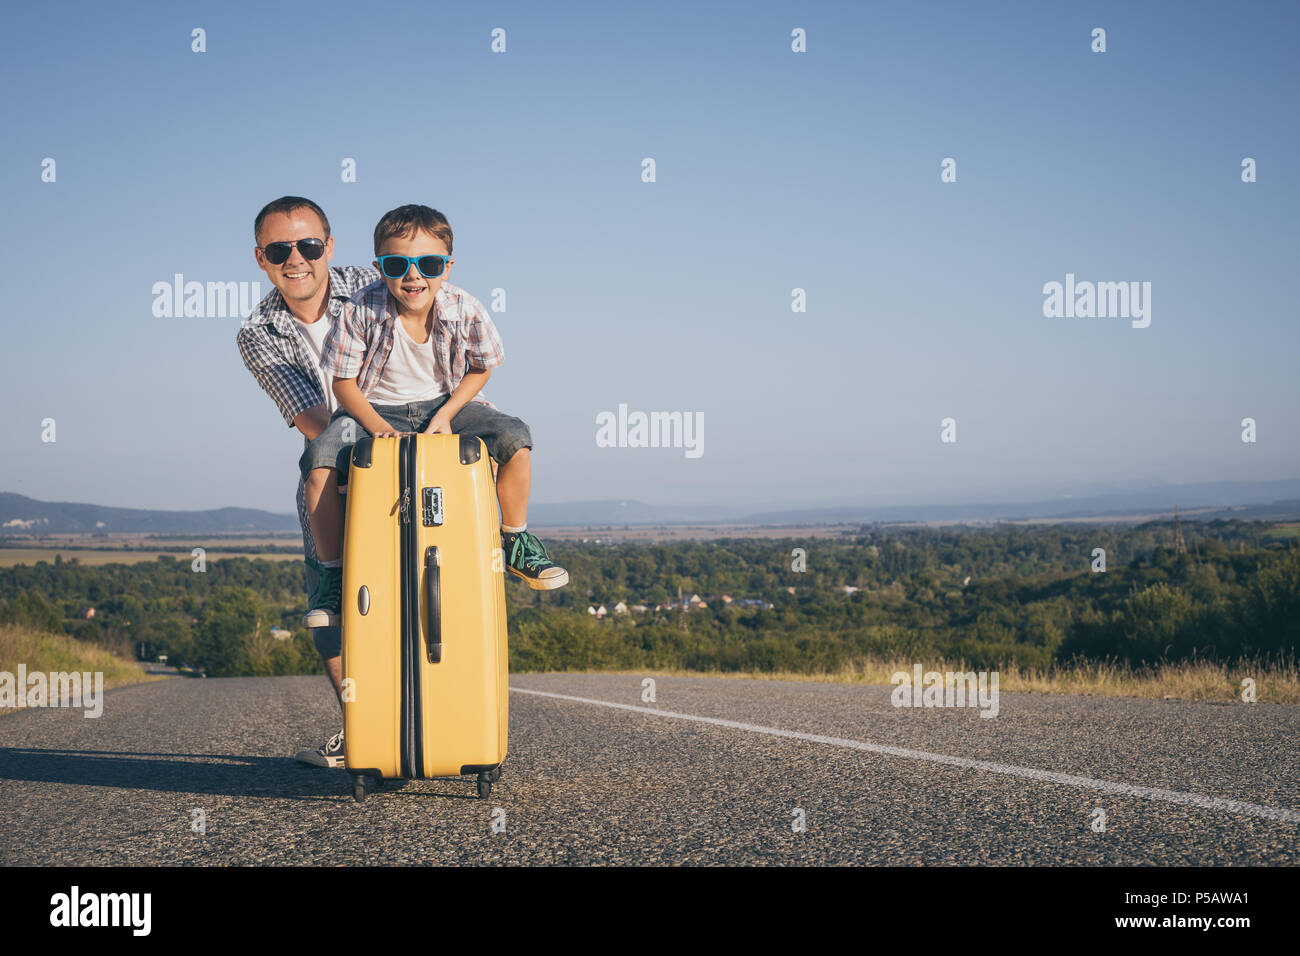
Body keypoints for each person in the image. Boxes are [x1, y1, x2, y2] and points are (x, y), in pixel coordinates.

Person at [298, 203, 568, 630]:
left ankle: (516, 541)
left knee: (515, 438)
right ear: (379, 266)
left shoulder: (467, 308)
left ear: (447, 266)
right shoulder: (360, 311)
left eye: (428, 263)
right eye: (397, 264)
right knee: (319, 463)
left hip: (446, 402)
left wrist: (447, 413)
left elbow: (482, 367)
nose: (413, 275)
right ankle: (331, 578)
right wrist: (378, 428)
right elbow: (344, 384)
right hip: (375, 406)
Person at [236, 196, 375, 769]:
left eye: (309, 245)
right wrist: (374, 441)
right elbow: (312, 418)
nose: (297, 259)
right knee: (330, 615)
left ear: (330, 247)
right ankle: (361, 724)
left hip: (416, 445)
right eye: (279, 249)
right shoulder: (256, 332)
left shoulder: (372, 284)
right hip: (335, 466)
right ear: (261, 259)